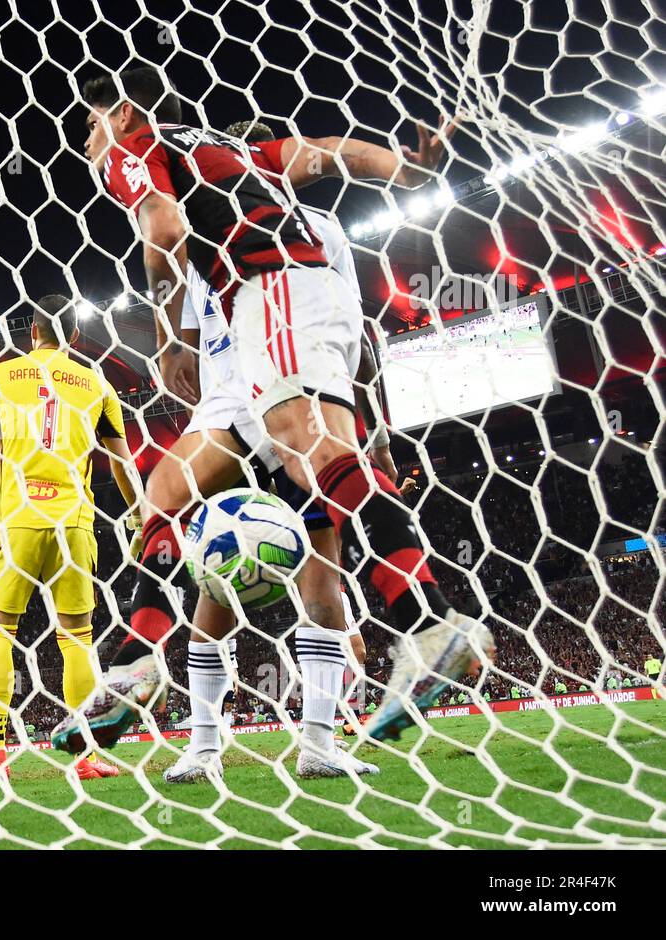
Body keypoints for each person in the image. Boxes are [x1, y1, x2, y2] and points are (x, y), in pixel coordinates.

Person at [65, 64, 493, 752]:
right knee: (168, 490)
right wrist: (405, 172)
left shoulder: (134, 146)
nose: (85, 137)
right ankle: (135, 665)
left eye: (90, 122)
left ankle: (432, 623)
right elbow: (328, 151)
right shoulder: (236, 150)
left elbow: (165, 227)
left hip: (274, 293)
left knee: (313, 457)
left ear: (119, 114)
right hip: (258, 336)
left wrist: (170, 337)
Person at [0, 295, 142, 786]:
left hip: (17, 516)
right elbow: (120, 460)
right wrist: (140, 514)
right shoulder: (95, 383)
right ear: (76, 337)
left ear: (32, 333)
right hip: (73, 522)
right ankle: (84, 754)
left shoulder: (1, 376)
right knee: (77, 639)